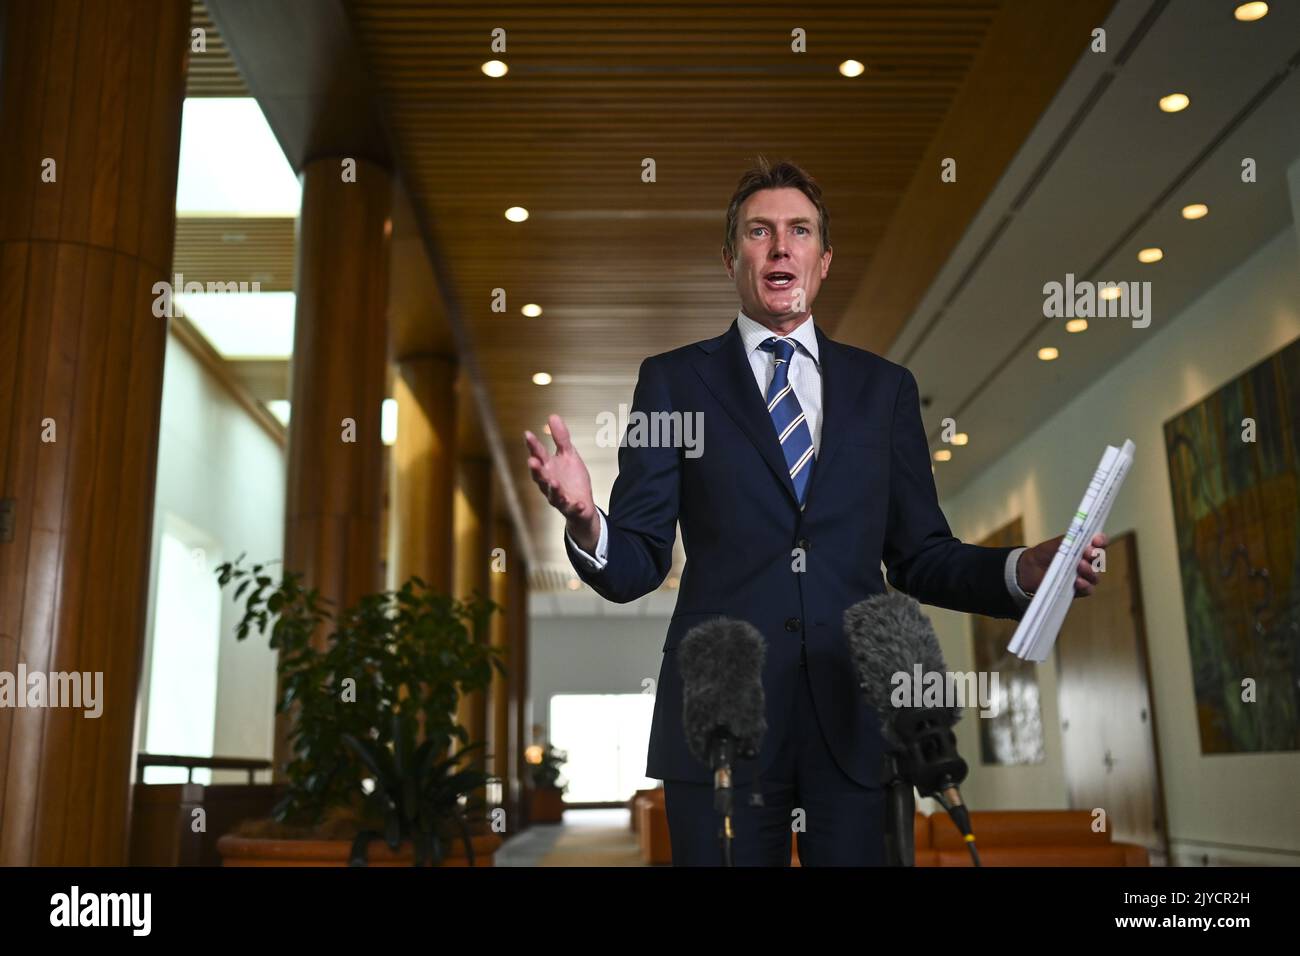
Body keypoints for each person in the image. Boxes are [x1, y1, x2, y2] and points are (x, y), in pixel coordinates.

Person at [524, 158, 1105, 866]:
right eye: (758, 231)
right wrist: (587, 519)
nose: (780, 247)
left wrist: (1022, 568)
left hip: (858, 725)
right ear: (732, 256)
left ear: (824, 261)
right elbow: (639, 560)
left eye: (799, 231)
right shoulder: (673, 382)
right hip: (721, 725)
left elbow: (922, 555)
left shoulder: (885, 391)